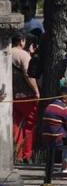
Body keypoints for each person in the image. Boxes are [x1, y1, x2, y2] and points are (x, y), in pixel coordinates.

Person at [10, 33, 38, 164]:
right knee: (30, 124)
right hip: (26, 95)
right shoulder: (23, 55)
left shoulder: (5, 52)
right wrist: (36, 91)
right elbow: (29, 74)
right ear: (21, 41)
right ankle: (27, 154)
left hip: (11, 95)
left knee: (15, 124)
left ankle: (17, 154)